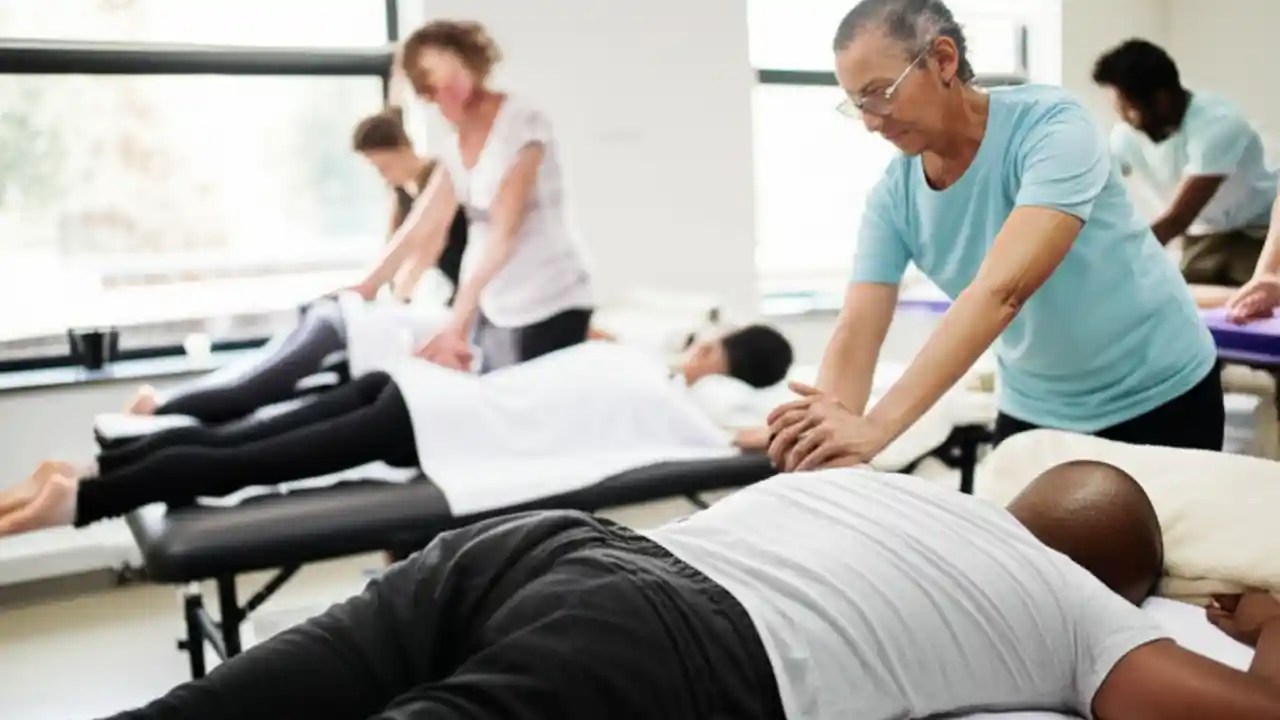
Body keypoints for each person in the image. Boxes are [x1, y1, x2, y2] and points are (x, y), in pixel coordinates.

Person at [89, 460, 1280, 719]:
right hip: (673, 645)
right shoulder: (1087, 613)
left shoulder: (887, 482)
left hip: (542, 547)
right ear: (1126, 575)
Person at [767, 0, 1223, 474]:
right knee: (1021, 549)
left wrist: (879, 427)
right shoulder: (893, 198)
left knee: (1158, 548)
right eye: (858, 104)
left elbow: (1001, 291)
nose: (871, 121)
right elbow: (858, 329)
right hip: (1039, 410)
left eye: (881, 93)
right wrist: (820, 442)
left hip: (1161, 391)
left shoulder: (1052, 127)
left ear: (943, 60)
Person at [0, 326, 793, 535]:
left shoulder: (635, 360)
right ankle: (82, 501)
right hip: (432, 422)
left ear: (718, 348)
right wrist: (764, 428)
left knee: (246, 435)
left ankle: (85, 472)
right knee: (248, 460)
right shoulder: (687, 410)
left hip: (412, 388)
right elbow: (738, 441)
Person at [123, 108, 469, 424]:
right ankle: (160, 404)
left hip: (354, 316)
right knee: (259, 375)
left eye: (384, 167)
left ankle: (161, 403)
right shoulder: (403, 196)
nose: (383, 177)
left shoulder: (439, 175)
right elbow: (404, 250)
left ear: (404, 147)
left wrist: (393, 302)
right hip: (346, 318)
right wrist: (382, 299)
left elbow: (426, 243)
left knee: (261, 379)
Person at [365, 20, 596, 373]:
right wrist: (368, 285)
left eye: (449, 66)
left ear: (468, 63)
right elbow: (424, 223)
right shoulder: (454, 146)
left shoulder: (520, 121)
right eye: (433, 78)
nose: (446, 86)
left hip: (552, 298)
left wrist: (457, 321)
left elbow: (504, 232)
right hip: (497, 301)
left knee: (529, 409)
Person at [1093, 39, 1276, 289]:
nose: (1125, 118)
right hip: (1203, 236)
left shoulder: (1218, 123)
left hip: (1258, 232)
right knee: (1187, 301)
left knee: (1258, 299)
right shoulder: (1125, 134)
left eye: (1129, 109)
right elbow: (1098, 182)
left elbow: (1178, 218)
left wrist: (1114, 256)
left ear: (1161, 99)